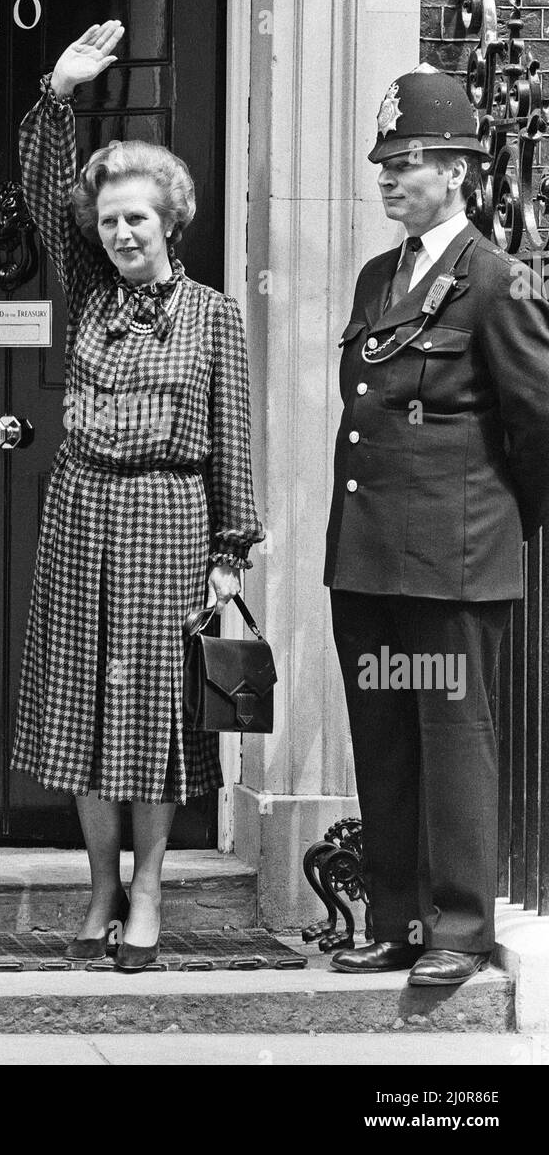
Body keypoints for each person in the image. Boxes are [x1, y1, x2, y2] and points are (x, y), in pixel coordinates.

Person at [10, 22, 263, 971]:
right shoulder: (89, 293)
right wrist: (59, 94)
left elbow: (234, 437)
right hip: (79, 510)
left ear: (171, 224)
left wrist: (229, 551)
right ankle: (101, 887)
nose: (121, 233)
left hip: (169, 515)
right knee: (81, 703)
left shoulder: (213, 316)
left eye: (137, 219)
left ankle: (151, 890)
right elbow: (44, 196)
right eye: (110, 219)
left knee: (153, 711)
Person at [325, 66, 549, 985]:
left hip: (453, 559)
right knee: (381, 737)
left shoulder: (498, 280)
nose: (388, 180)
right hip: (370, 554)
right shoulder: (383, 274)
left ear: (456, 170)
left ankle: (456, 927)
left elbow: (536, 419)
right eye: (382, 164)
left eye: (406, 163)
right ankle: (393, 920)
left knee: (455, 738)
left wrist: (501, 529)